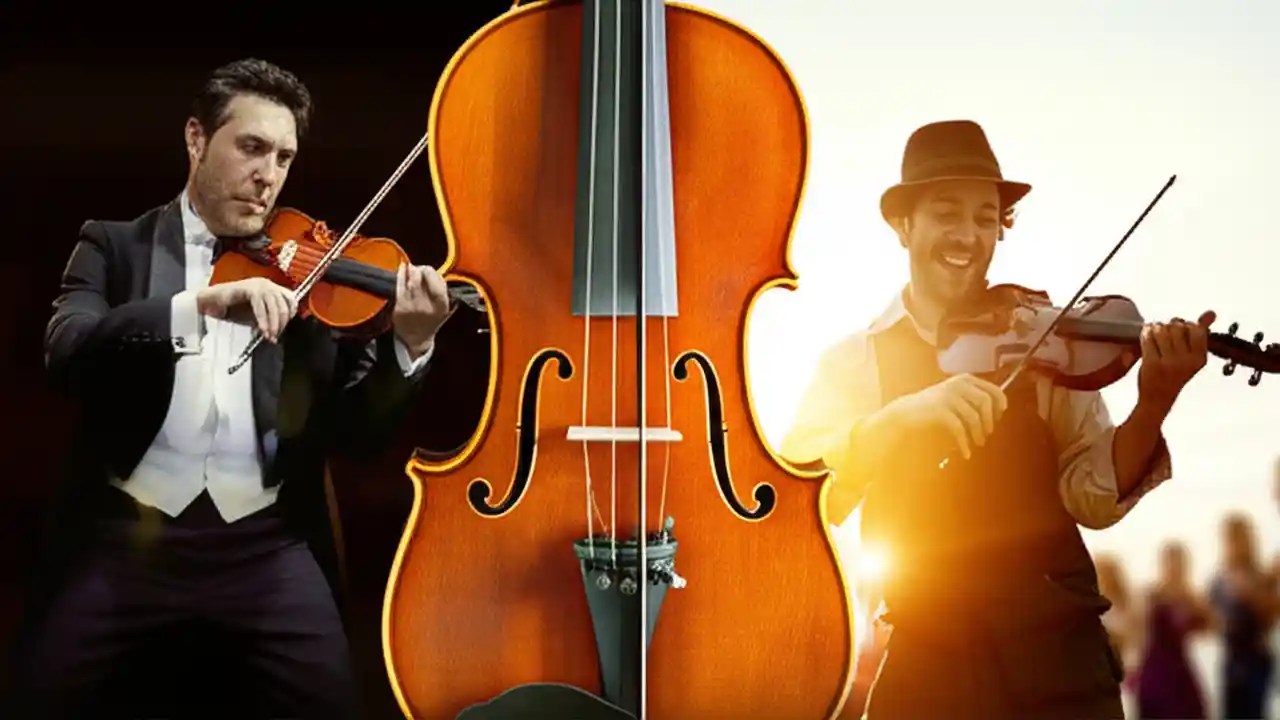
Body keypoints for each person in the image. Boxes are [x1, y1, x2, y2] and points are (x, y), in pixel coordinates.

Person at [12, 58, 451, 719]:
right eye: (251, 147)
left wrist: (409, 344)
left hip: (266, 548)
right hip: (124, 544)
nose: (267, 175)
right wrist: (204, 303)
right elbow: (67, 352)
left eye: (283, 157)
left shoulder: (314, 275)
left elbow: (361, 434)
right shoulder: (115, 246)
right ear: (196, 138)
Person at [780, 119, 1213, 719]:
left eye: (986, 218)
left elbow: (1092, 496)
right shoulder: (855, 362)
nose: (968, 235)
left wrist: (1154, 402)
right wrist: (900, 420)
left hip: (1059, 655)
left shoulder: (1041, 336)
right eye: (946, 213)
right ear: (903, 225)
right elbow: (800, 501)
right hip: (931, 656)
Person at [1208, 513, 1276, 719]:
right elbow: (1213, 622)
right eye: (1230, 538)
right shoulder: (1219, 579)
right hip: (1231, 657)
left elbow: (1270, 620)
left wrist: (1252, 594)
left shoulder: (1261, 576)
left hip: (1256, 658)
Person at [1134, 541, 1211, 719]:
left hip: (1179, 672)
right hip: (1155, 670)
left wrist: (1191, 602)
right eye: (1171, 562)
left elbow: (1211, 627)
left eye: (1179, 563)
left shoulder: (1190, 597)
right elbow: (1138, 632)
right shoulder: (1152, 595)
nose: (1174, 568)